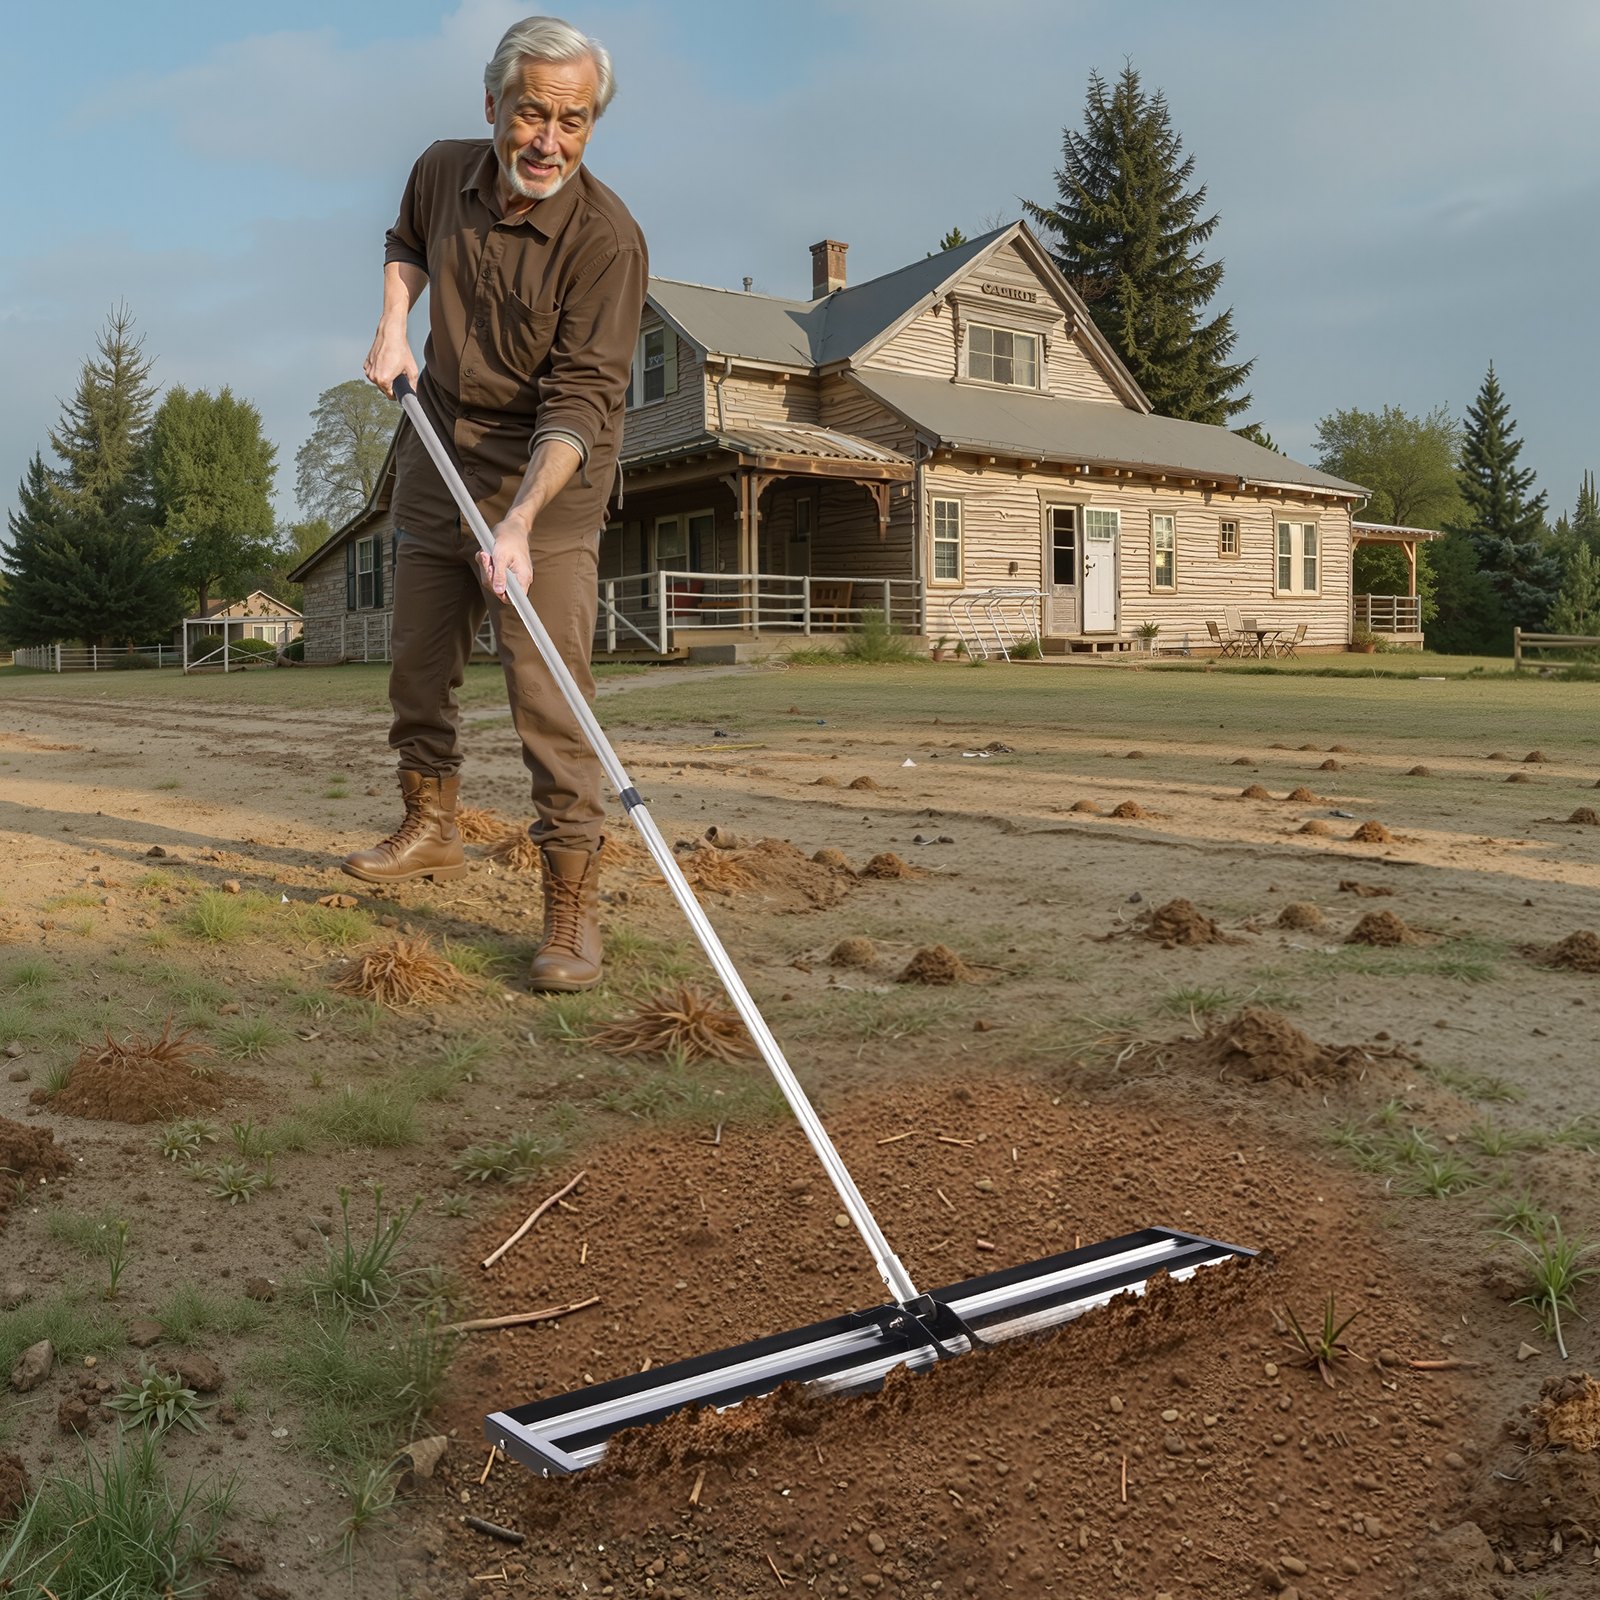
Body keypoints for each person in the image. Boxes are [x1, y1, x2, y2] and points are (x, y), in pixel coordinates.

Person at [346, 14, 647, 994]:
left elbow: (582, 401)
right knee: (417, 665)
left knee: (548, 700)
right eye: (531, 114)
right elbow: (405, 241)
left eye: (574, 120)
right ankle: (430, 826)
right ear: (492, 106)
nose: (549, 141)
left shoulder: (606, 241)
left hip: (548, 486)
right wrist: (395, 323)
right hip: (438, 452)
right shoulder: (441, 171)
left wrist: (519, 521)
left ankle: (571, 901)